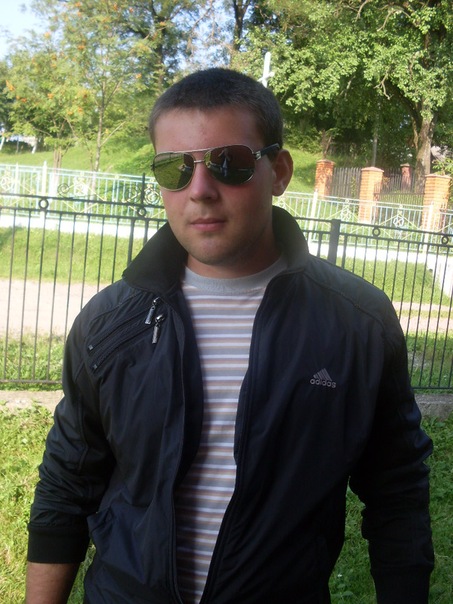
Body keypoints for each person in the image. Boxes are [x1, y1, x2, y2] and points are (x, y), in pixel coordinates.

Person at [26, 67, 434, 604]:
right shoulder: (109, 323)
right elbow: (67, 483)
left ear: (279, 172)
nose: (199, 190)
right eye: (174, 168)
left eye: (229, 163)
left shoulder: (357, 323)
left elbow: (397, 491)